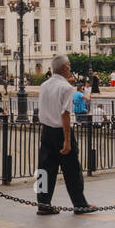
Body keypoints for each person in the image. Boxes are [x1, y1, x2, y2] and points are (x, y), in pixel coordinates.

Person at [35, 56, 93, 215]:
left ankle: (43, 204)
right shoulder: (66, 87)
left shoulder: (44, 85)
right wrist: (67, 140)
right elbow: (65, 115)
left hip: (46, 131)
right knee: (72, 169)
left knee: (44, 169)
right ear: (66, 67)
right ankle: (79, 204)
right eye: (69, 65)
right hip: (61, 131)